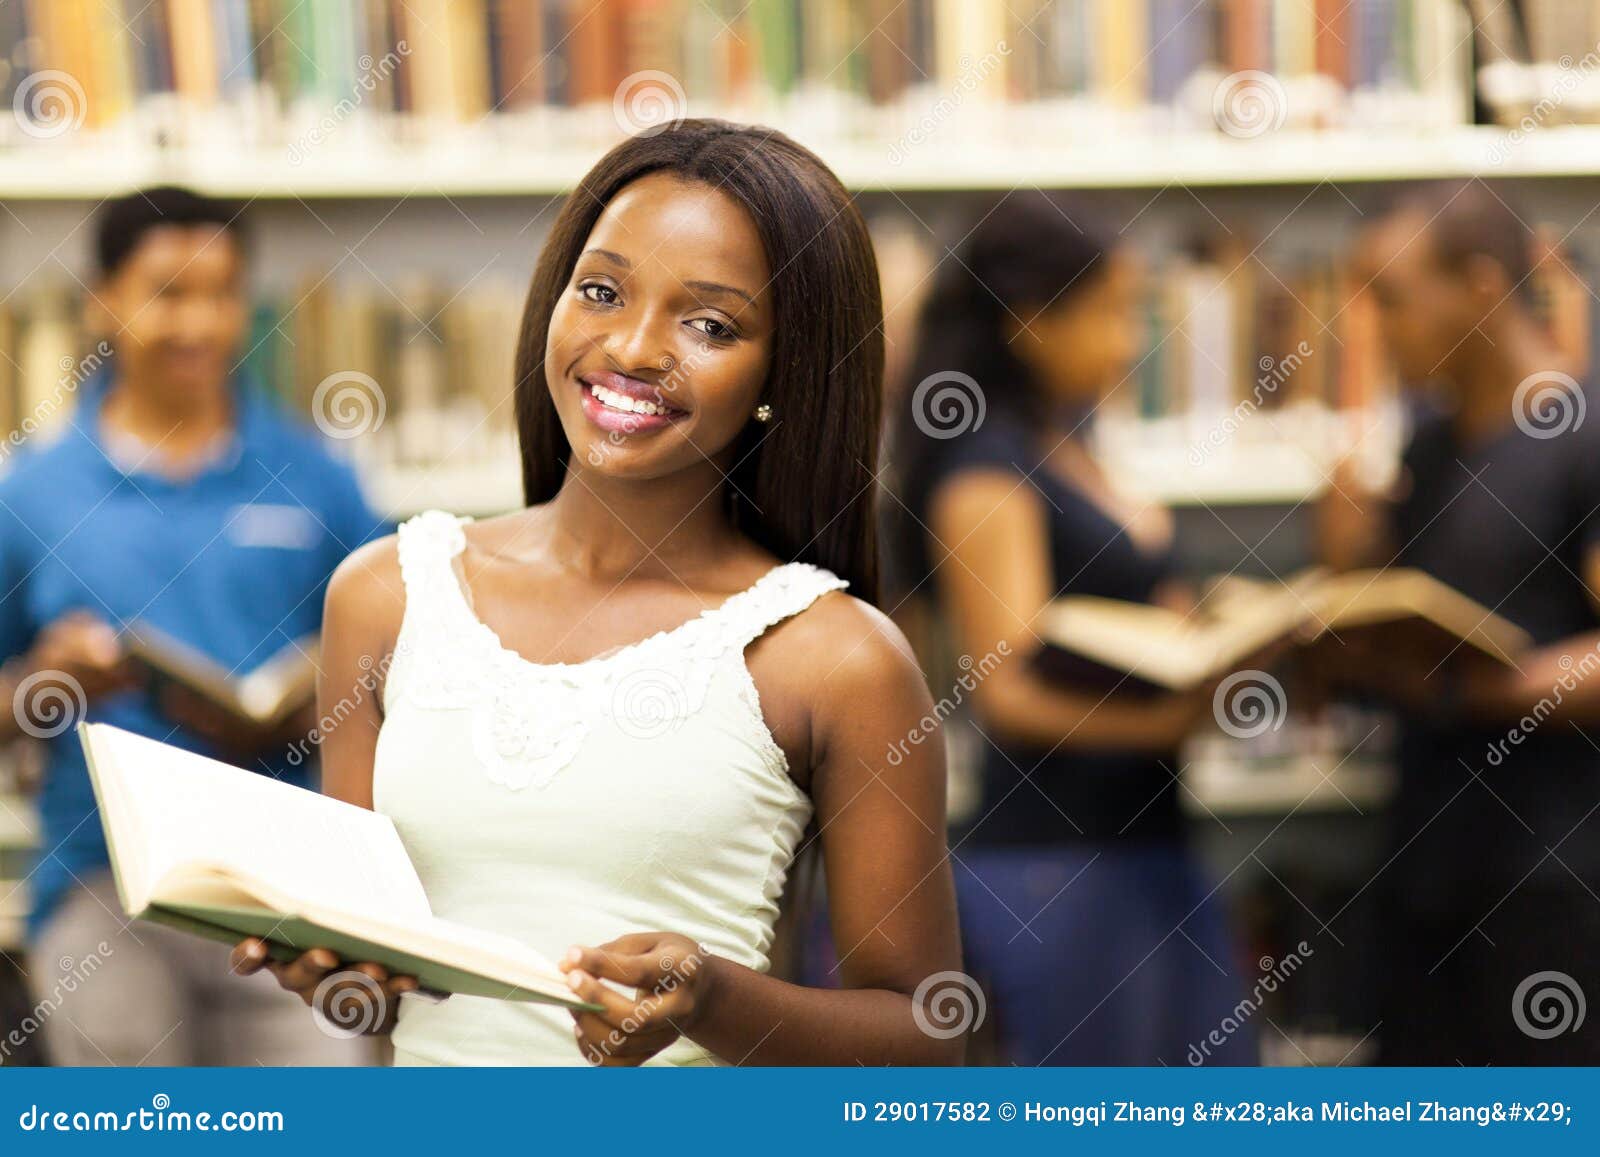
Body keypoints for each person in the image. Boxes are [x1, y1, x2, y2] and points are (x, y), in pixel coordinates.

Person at [232, 119, 965, 1067]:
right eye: (603, 291)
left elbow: (926, 1034)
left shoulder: (835, 656)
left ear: (784, 372)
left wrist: (713, 1000)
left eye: (710, 325)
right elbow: (377, 996)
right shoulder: (385, 596)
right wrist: (333, 971)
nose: (632, 346)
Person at [0, 186, 384, 1065]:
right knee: (134, 1111)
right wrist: (43, 685)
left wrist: (311, 702)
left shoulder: (319, 478)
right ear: (102, 301)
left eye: (220, 294)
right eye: (168, 294)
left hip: (285, 883)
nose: (198, 323)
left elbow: (392, 663)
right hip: (106, 884)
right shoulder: (30, 496)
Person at [882, 193, 1256, 1065]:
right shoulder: (984, 470)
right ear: (1030, 321)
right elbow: (1008, 693)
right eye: (1109, 313)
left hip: (1146, 839)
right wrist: (1173, 719)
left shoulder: (1068, 437)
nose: (1128, 344)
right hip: (1058, 862)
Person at [1318, 181, 1600, 1064]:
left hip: (1551, 882)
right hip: (1428, 866)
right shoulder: (1432, 442)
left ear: (1481, 286)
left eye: (1392, 299)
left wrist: (1476, 691)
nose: (1376, 330)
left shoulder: (1583, 433)